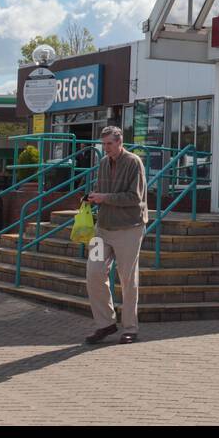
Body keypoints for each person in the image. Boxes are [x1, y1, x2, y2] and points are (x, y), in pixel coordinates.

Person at [84, 126, 147, 345]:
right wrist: (92, 197)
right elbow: (102, 191)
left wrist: (104, 197)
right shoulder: (102, 163)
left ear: (120, 142)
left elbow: (134, 197)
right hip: (102, 229)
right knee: (93, 272)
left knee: (127, 279)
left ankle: (130, 328)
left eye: (109, 144)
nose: (106, 148)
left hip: (129, 228)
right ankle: (105, 324)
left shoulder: (133, 162)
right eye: (103, 144)